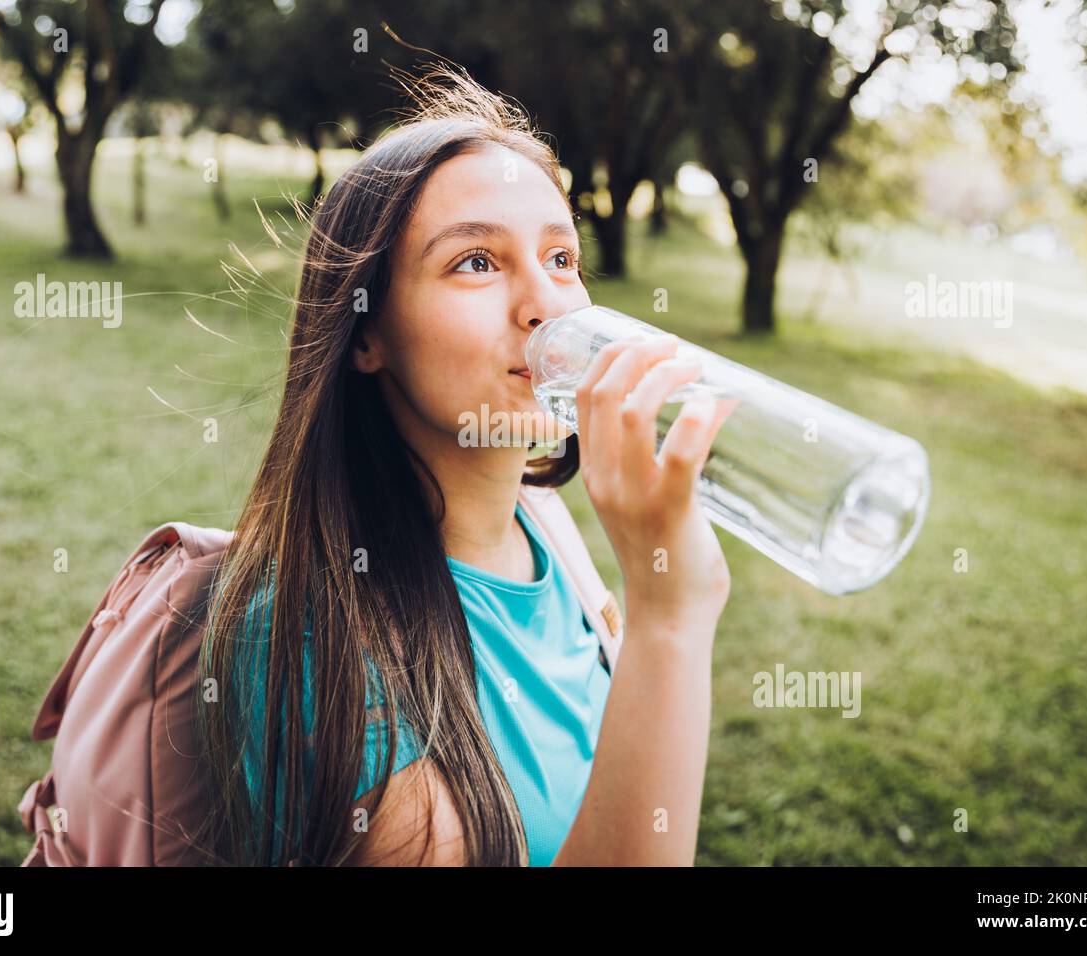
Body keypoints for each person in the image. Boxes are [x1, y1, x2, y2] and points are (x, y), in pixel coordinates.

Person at [197, 63, 734, 867]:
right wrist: (669, 617)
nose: (546, 306)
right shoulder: (315, 629)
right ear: (367, 335)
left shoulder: (543, 528)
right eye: (476, 262)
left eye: (561, 259)